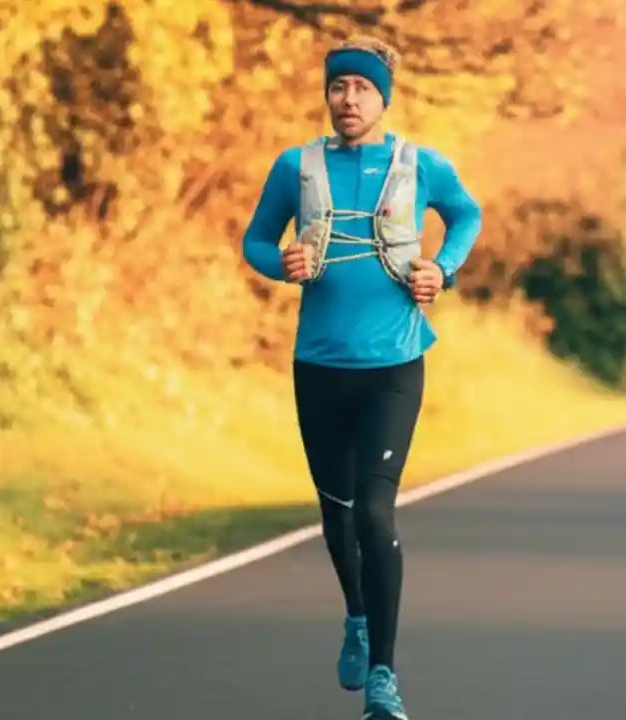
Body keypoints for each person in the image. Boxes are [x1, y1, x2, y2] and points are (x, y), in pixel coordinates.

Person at [241, 34, 482, 720]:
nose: (348, 99)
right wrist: (278, 260)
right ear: (328, 94)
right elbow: (256, 237)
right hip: (318, 367)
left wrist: (445, 267)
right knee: (336, 517)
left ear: (384, 98)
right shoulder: (297, 166)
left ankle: (385, 676)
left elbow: (466, 213)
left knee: (375, 512)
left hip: (394, 367)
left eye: (362, 89)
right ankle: (356, 614)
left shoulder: (419, 165)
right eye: (338, 86)